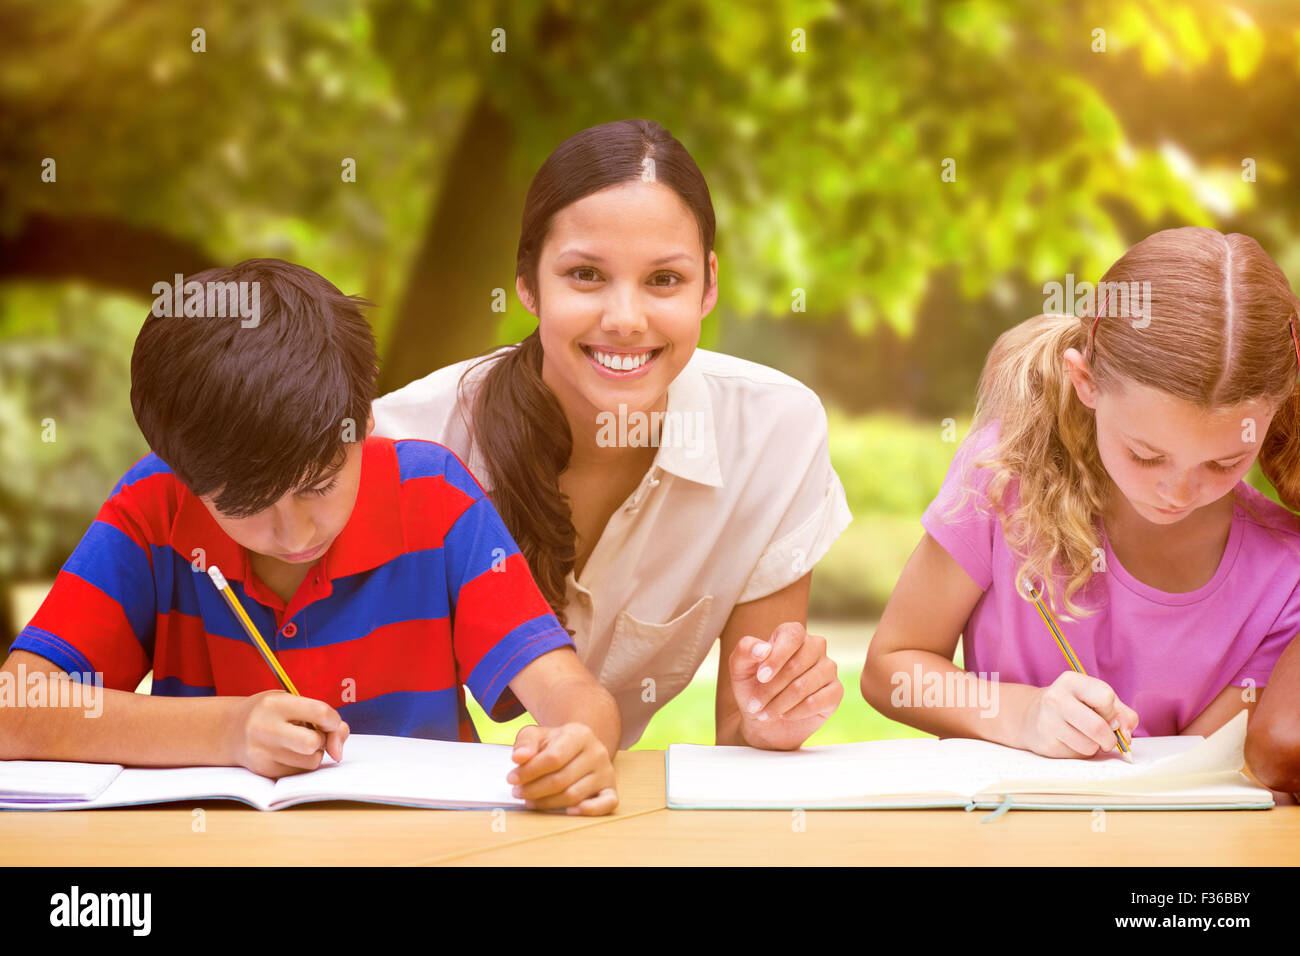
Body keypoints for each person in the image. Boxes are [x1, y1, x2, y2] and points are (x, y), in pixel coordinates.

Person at [0, 258, 621, 815]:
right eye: (243, 505)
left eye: (319, 486)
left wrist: (578, 741)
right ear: (184, 474)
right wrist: (226, 731)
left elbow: (570, 690)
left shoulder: (434, 499)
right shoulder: (154, 507)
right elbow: (16, 709)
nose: (294, 533)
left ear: (365, 422)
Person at [374, 119, 852, 750]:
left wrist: (773, 716)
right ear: (527, 284)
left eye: (663, 280)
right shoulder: (403, 443)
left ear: (708, 285)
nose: (625, 320)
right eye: (586, 275)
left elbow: (744, 728)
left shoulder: (774, 434)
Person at [862, 226, 1300, 758]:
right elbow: (892, 667)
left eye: (1225, 462)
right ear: (1085, 381)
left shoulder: (1285, 576)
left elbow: (1191, 773)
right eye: (1146, 454)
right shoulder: (1004, 476)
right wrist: (1021, 715)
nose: (1178, 491)